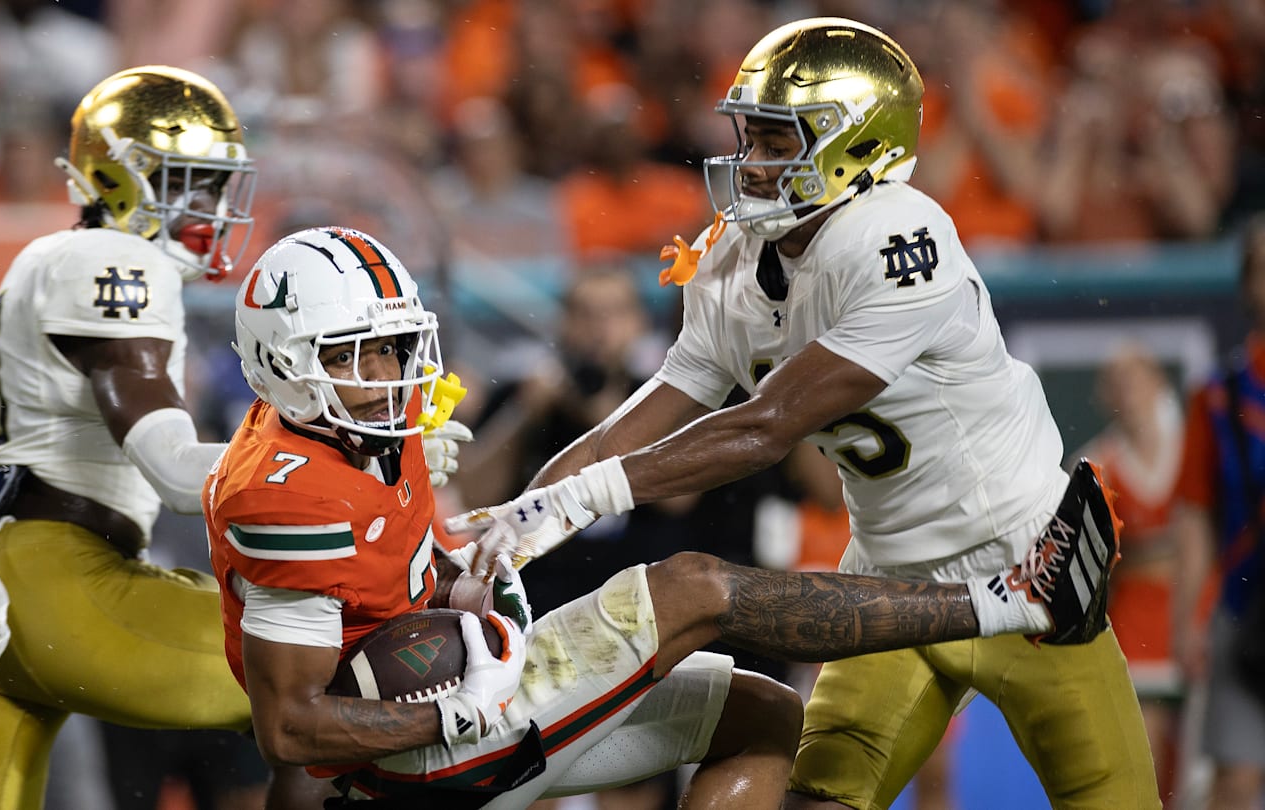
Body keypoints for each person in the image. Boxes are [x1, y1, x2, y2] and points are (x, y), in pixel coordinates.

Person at [447, 18, 1159, 809]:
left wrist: (584, 498)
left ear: (858, 145)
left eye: (779, 142)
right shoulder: (733, 260)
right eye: (750, 137)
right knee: (821, 800)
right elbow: (658, 406)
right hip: (888, 584)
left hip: (1025, 569)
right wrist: (522, 515)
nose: (751, 164)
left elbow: (767, 425)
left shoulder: (897, 234)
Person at [204, 225, 1117, 810]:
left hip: (459, 679)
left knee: (762, 716)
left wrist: (456, 564)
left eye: (399, 344)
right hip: (427, 739)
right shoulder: (289, 490)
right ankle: (1014, 602)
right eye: (364, 354)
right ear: (286, 365)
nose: (394, 370)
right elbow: (288, 730)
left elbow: (385, 575)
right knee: (690, 591)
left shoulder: (355, 422)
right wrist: (450, 717)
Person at [0, 65, 327, 810]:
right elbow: (172, 472)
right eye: (189, 181)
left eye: (215, 184)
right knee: (336, 674)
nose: (209, 206)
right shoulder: (116, 259)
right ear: (117, 175)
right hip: (54, 579)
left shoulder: (59, 258)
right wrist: (335, 458)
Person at [1172, 213, 1265, 809]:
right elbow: (1194, 514)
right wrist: (1188, 617)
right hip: (1246, 609)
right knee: (1233, 783)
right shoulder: (1217, 395)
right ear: (1248, 286)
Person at [1079, 343, 1187, 807]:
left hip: (1193, 617)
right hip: (1136, 624)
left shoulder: (1191, 449)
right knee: (1147, 756)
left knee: (1196, 766)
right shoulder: (1098, 466)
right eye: (1116, 379)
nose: (1129, 390)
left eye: (1136, 375)